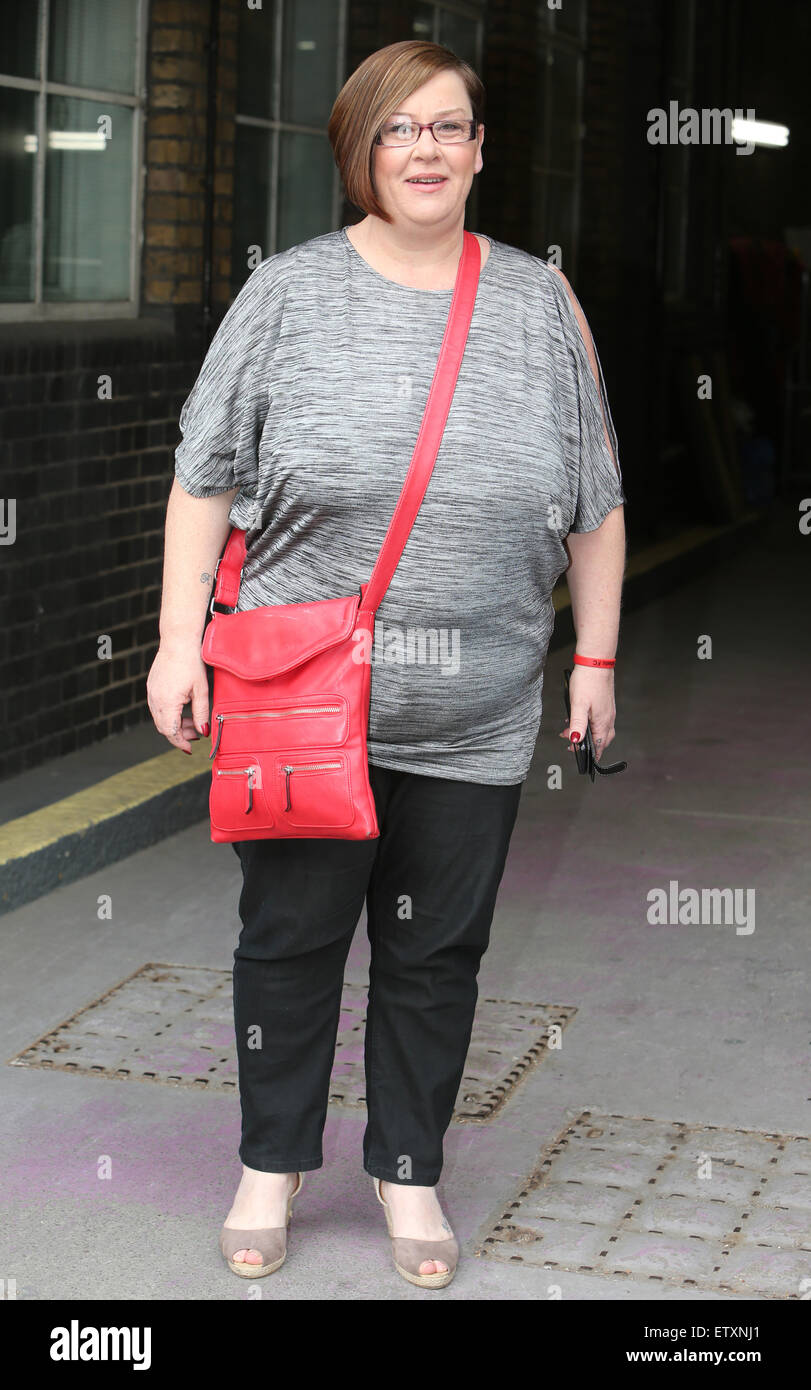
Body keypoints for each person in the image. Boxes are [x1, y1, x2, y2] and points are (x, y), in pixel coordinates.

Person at [146, 38, 627, 1290]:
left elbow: (597, 505)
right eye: (399, 128)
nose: (426, 148)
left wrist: (597, 659)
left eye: (449, 126)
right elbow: (203, 482)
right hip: (306, 706)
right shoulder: (288, 297)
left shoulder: (536, 304)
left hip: (472, 710)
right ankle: (272, 1163)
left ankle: (407, 1171)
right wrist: (172, 640)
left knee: (436, 955)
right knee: (289, 940)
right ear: (361, 150)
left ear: (477, 152)